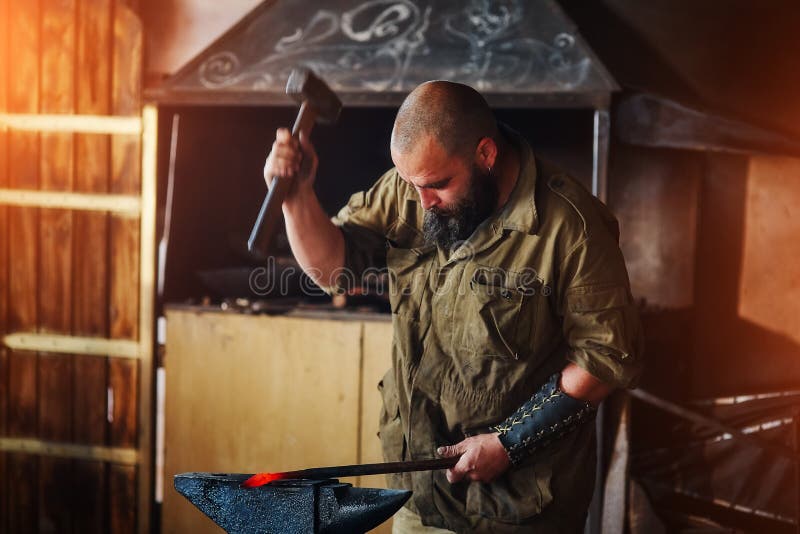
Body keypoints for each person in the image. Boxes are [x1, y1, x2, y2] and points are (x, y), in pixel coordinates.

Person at [263, 81, 643, 533]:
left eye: (438, 185)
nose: (422, 202)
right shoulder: (411, 191)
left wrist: (509, 443)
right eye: (411, 184)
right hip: (419, 495)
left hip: (519, 511)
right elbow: (332, 271)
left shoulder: (570, 228)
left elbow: (605, 359)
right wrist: (296, 198)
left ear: (486, 155)